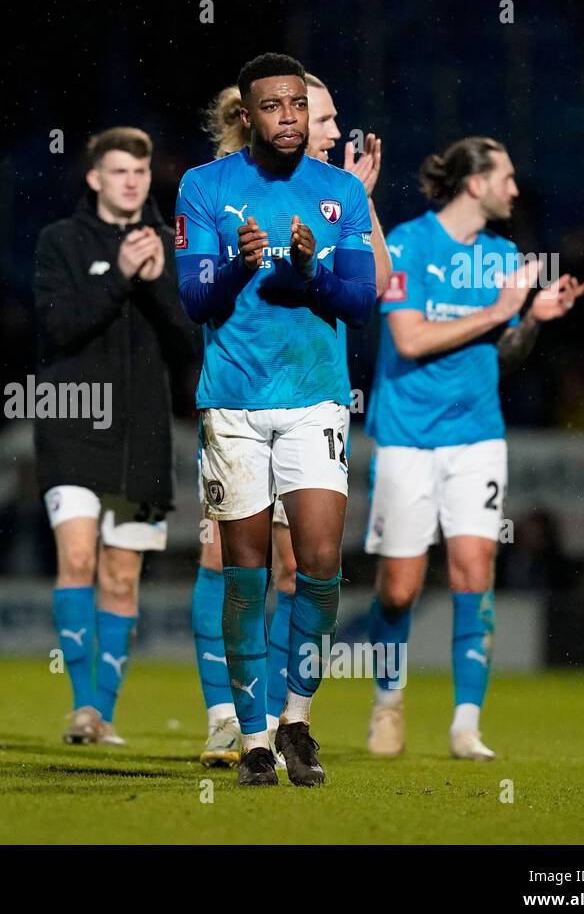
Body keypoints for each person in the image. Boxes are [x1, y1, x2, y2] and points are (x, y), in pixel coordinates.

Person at [175, 52, 376, 786]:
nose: (288, 118)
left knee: (320, 562)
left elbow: (358, 300)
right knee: (246, 573)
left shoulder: (340, 192)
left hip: (316, 396)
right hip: (232, 401)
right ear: (247, 114)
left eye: (298, 105)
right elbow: (195, 299)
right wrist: (238, 265)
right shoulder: (205, 186)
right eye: (273, 107)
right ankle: (252, 734)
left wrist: (307, 270)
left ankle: (297, 718)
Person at [362, 136, 584, 759]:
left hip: (477, 437)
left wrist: (534, 316)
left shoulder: (504, 257)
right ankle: (387, 700)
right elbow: (409, 341)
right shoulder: (407, 245)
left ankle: (466, 724)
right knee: (400, 589)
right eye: (507, 177)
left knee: (474, 570)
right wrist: (499, 311)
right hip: (407, 437)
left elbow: (506, 353)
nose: (516, 189)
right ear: (474, 183)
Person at [33, 127, 196, 746]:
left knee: (122, 575)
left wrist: (154, 281)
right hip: (72, 425)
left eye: (141, 172)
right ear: (94, 177)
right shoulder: (60, 242)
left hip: (144, 435)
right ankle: (81, 707)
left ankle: (103, 711)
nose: (132, 182)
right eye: (120, 171)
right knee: (77, 557)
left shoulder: (172, 248)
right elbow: (56, 330)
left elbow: (191, 344)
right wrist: (118, 276)